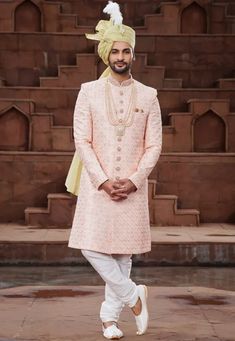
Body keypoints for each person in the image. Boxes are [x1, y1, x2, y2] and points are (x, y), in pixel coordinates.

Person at [67, 1, 162, 339]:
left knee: (123, 254)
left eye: (126, 51)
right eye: (115, 51)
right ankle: (134, 295)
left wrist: (135, 181)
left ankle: (109, 319)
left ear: (133, 54)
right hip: (99, 184)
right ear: (106, 54)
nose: (121, 57)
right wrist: (104, 180)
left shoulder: (149, 96)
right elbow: (83, 140)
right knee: (91, 246)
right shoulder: (88, 92)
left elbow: (154, 145)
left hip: (132, 186)